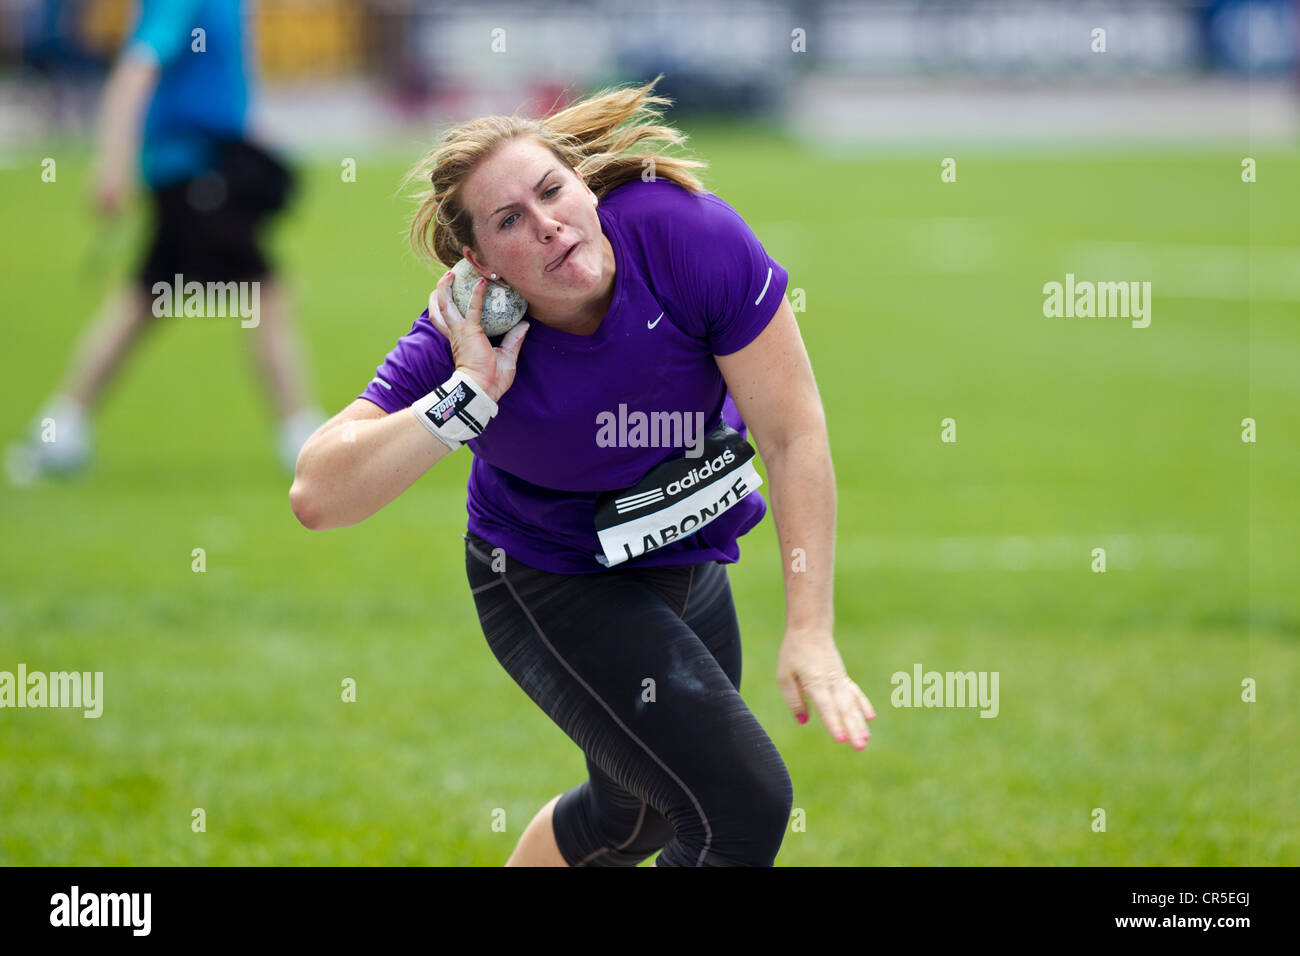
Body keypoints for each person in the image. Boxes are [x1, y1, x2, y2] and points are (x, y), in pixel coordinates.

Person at [289, 76, 875, 867]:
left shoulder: (687, 238)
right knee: (739, 807)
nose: (548, 226)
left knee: (634, 819)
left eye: (551, 191)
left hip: (684, 551)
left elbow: (793, 434)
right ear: (479, 263)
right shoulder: (467, 338)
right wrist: (466, 397)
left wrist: (810, 629)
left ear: (583, 184)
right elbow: (318, 494)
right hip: (548, 576)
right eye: (509, 222)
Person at [6, 0, 325, 483]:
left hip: (207, 167)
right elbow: (136, 68)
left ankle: (61, 428)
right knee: (263, 294)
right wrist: (113, 164)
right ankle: (301, 437)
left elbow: (217, 83)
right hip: (194, 175)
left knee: (145, 302)